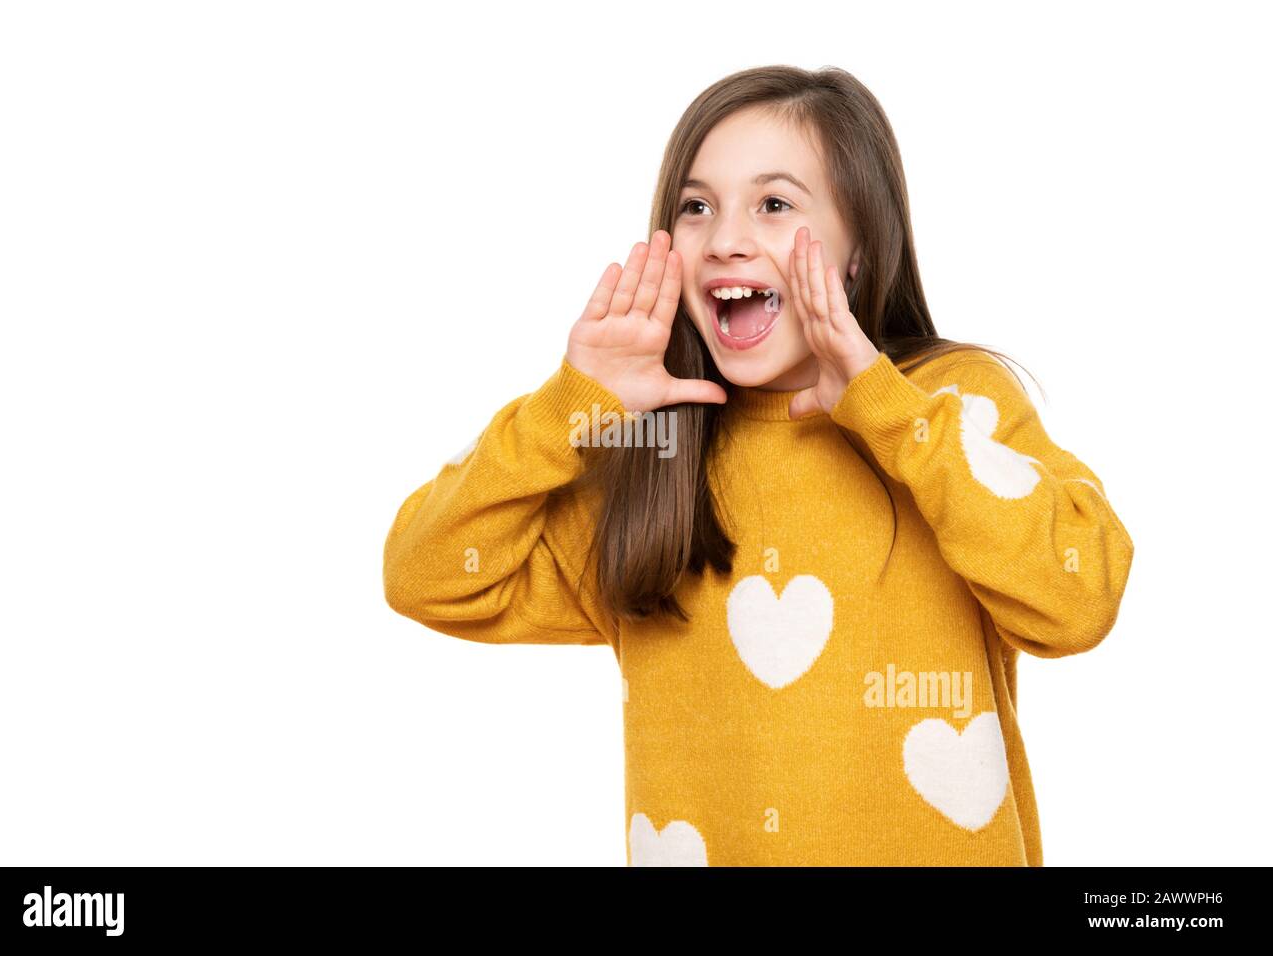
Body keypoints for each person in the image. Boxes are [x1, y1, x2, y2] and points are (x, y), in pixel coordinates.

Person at [382, 65, 1134, 866]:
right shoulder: (654, 457)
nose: (725, 238)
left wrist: (889, 413)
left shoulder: (949, 407)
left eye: (773, 204)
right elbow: (424, 574)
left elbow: (1077, 596)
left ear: (858, 250)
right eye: (697, 207)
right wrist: (568, 409)